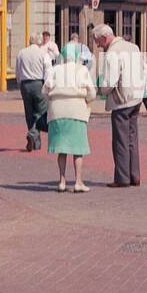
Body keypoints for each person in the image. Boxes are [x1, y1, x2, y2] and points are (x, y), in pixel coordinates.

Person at [94, 23, 144, 188]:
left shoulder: (113, 52)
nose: (97, 45)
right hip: (136, 97)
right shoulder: (133, 47)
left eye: (98, 41)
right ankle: (134, 175)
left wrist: (102, 90)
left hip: (121, 99)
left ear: (105, 37)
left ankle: (122, 178)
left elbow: (110, 80)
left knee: (120, 140)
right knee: (132, 138)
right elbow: (143, 70)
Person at [44, 41, 97, 192]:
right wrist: (86, 100)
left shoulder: (55, 70)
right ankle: (78, 181)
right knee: (77, 148)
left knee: (62, 148)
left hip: (57, 112)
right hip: (77, 112)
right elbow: (92, 92)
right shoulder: (82, 70)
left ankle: (62, 181)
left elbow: (45, 89)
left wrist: (53, 100)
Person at [15, 34, 51, 151]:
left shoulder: (21, 53)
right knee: (41, 112)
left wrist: (19, 84)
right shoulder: (43, 54)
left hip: (25, 84)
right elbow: (48, 71)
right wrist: (48, 87)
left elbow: (18, 70)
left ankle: (35, 141)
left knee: (29, 112)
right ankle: (32, 134)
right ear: (39, 42)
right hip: (38, 83)